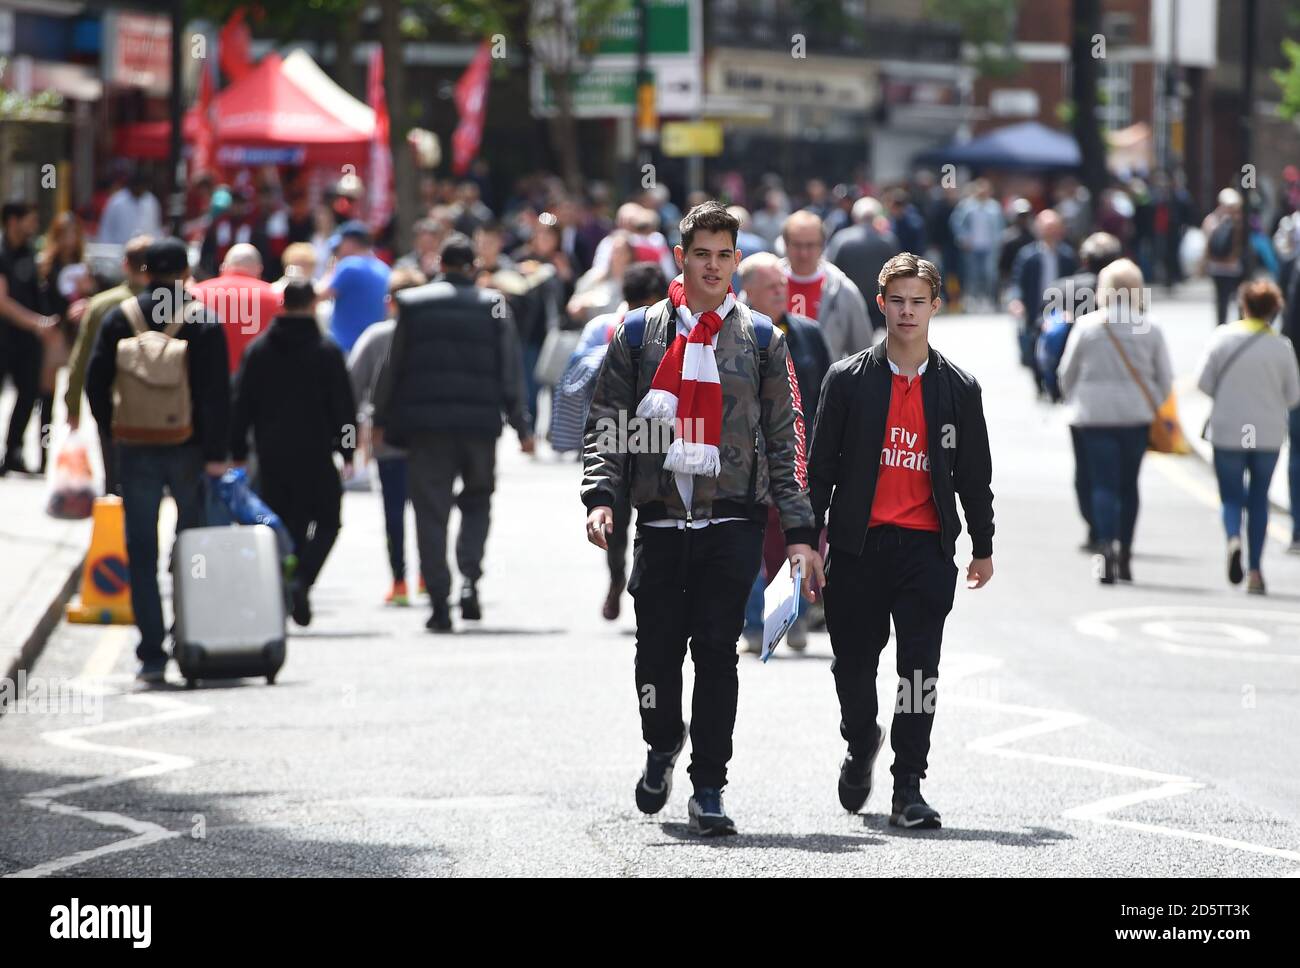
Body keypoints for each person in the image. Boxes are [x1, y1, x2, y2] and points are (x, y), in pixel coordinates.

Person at [580, 201, 823, 836]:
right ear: (681, 260)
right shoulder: (638, 335)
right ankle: (662, 744)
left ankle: (709, 786)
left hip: (733, 523)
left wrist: (799, 533)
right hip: (660, 522)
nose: (712, 267)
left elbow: (784, 437)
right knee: (656, 658)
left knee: (718, 654)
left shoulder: (764, 339)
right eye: (701, 255)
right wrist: (601, 498)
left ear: (736, 263)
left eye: (724, 256)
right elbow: (607, 424)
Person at [808, 252, 994, 830]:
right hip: (859, 548)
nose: (907, 312)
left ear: (935, 307)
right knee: (853, 668)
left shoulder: (960, 389)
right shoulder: (847, 381)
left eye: (919, 302)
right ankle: (862, 740)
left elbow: (974, 475)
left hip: (925, 550)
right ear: (881, 304)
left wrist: (982, 546)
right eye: (897, 301)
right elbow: (819, 471)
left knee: (919, 672)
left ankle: (908, 785)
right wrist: (805, 541)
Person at [85, 237, 231, 683]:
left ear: (144, 272)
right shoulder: (203, 320)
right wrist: (216, 454)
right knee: (192, 548)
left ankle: (151, 654)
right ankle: (186, 635)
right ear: (187, 273)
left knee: (140, 549)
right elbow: (217, 395)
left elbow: (95, 383)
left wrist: (116, 431)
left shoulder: (120, 318)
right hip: (188, 448)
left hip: (136, 447)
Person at [372, 234, 534, 632]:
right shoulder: (494, 305)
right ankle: (470, 583)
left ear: (439, 265)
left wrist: (379, 419)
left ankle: (440, 603)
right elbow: (511, 370)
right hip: (479, 427)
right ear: (473, 267)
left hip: (427, 430)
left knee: (431, 513)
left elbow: (393, 367)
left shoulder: (412, 305)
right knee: (477, 503)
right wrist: (521, 425)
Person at [230, 277, 357, 625]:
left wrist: (237, 449)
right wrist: (347, 451)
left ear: (282, 305)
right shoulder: (327, 350)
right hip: (316, 454)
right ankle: (302, 579)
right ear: (313, 305)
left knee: (285, 525)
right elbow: (344, 406)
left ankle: (288, 583)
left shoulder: (258, 350)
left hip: (271, 455)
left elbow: (242, 404)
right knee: (329, 521)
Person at [737, 251, 832, 654]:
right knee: (748, 542)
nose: (781, 292)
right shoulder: (730, 334)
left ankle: (789, 617)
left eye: (783, 285)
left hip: (797, 459)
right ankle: (754, 624)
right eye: (772, 287)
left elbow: (828, 397)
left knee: (796, 540)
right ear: (748, 292)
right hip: (742, 462)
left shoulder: (807, 333)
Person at [1059, 259, 1173, 584]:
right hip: (1135, 417)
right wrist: (1150, 404)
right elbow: (1165, 379)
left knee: (1102, 484)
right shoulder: (1149, 326)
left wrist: (1074, 399)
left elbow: (1067, 372)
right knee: (1128, 486)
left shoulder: (1088, 325)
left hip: (1093, 416)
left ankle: (1105, 545)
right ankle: (1125, 554)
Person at [566, 263, 669, 620]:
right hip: (617, 434)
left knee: (650, 517)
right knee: (615, 516)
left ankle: (642, 582)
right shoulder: (607, 328)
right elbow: (577, 374)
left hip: (653, 437)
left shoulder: (668, 329)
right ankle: (616, 578)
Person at [1196, 278, 1300, 594]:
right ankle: (1255, 571)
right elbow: (1294, 396)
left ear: (1244, 306)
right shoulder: (1282, 347)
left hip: (1230, 428)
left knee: (1231, 495)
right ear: (1274, 311)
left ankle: (1232, 538)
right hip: (1264, 432)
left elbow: (1203, 382)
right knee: (1259, 499)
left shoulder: (1222, 338)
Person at [1036, 231, 1125, 551]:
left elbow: (1043, 338)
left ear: (1083, 259)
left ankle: (1096, 529)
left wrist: (1049, 386)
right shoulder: (1132, 295)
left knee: (1086, 467)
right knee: (1122, 472)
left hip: (1079, 394)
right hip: (1127, 395)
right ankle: (1117, 533)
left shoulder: (1061, 288)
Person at [348, 266, 429, 606]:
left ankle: (398, 581)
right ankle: (428, 575)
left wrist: (350, 435)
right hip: (428, 436)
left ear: (389, 301)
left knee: (393, 512)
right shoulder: (431, 337)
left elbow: (352, 385)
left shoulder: (375, 336)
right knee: (429, 509)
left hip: (385, 439)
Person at [64, 235, 153, 494]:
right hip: (160, 407)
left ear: (126, 264)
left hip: (112, 407)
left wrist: (72, 407)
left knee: (113, 481)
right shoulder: (169, 304)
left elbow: (80, 361)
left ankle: (113, 526)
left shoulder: (101, 304)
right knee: (149, 482)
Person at [0, 202, 62, 475]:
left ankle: (13, 451)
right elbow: (2, 301)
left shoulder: (29, 252)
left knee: (28, 394)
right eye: (30, 220)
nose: (34, 226)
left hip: (27, 342)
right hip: (4, 337)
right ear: (13, 221)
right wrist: (38, 323)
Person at [35, 212, 93, 474]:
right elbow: (39, 299)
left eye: (74, 233)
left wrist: (87, 291)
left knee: (75, 390)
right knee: (46, 396)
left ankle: (73, 453)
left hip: (76, 334)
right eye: (65, 233)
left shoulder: (84, 266)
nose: (70, 239)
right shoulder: (46, 266)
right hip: (54, 333)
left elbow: (94, 298)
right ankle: (43, 454)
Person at [780, 209, 874, 360]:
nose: (803, 254)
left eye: (810, 245)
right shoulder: (766, 283)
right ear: (785, 244)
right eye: (797, 245)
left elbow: (863, 353)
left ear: (822, 246)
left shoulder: (843, 291)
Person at [191, 243, 283, 377]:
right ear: (259, 270)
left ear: (223, 268)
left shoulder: (194, 294)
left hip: (205, 379)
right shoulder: (277, 297)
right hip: (258, 382)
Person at [1010, 209, 1078, 391]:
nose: (1050, 232)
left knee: (1060, 343)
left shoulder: (1068, 255)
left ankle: (1055, 383)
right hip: (1035, 307)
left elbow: (1075, 282)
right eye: (1047, 228)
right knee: (1033, 343)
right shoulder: (1028, 255)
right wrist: (1017, 301)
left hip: (1059, 308)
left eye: (1054, 228)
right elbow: (1017, 281)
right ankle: (1038, 381)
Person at [824, 197, 900, 336]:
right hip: (881, 302)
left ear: (855, 216)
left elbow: (830, 269)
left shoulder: (841, 240)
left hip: (851, 301)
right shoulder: (887, 240)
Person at [321, 221, 390, 354]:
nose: (337, 252)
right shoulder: (384, 268)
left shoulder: (349, 266)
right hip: (374, 349)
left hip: (346, 349)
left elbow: (319, 295)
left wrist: (331, 267)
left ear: (350, 242)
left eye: (339, 246)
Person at [950, 179, 1004, 311]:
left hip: (989, 247)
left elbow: (1000, 227)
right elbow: (956, 222)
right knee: (972, 274)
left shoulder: (994, 207)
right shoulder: (967, 206)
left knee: (989, 274)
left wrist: (998, 243)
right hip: (972, 247)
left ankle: (987, 300)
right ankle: (972, 300)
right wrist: (963, 239)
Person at [1202, 188, 1248, 327]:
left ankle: (1220, 327)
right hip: (1233, 267)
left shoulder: (1211, 219)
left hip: (1216, 267)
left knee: (1221, 300)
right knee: (1238, 299)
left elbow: (1206, 244)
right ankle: (1240, 327)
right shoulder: (1237, 220)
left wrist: (1204, 264)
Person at [97, 170, 163, 245]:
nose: (140, 190)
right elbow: (106, 229)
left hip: (145, 251)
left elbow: (156, 228)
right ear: (132, 186)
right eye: (138, 187)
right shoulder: (117, 201)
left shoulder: (151, 201)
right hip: (118, 250)